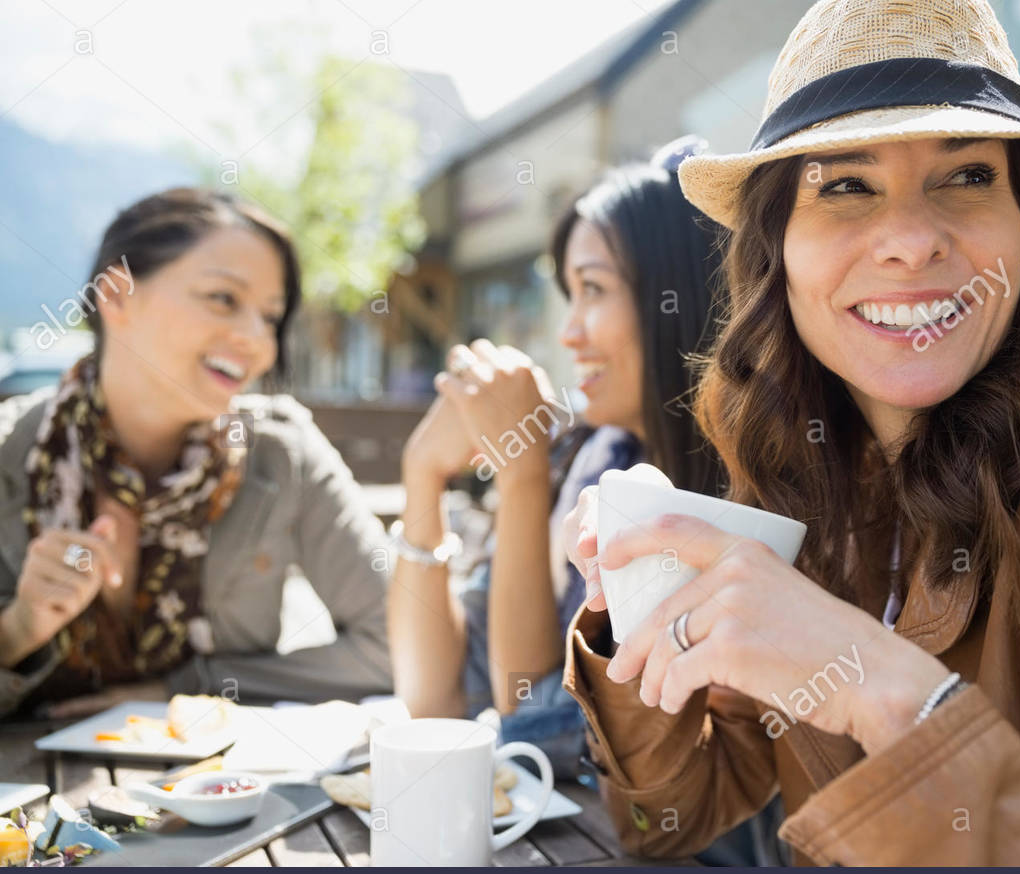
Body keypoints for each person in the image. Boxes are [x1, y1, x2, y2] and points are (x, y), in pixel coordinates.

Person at [560, 0, 1020, 865]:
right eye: (845, 185)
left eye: (967, 176)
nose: (911, 241)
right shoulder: (816, 472)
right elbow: (669, 823)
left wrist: (885, 691)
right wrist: (636, 615)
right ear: (777, 257)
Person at [388, 141, 727, 782]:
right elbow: (436, 699)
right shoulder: (590, 458)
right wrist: (422, 476)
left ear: (674, 298)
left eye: (593, 290)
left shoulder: (730, 500)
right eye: (569, 293)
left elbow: (534, 724)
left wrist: (520, 476)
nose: (570, 332)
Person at [0, 188, 392, 719]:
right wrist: (19, 629)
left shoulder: (280, 454)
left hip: (220, 796)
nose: (258, 341)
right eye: (224, 299)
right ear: (115, 297)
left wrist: (193, 686)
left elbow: (393, 647)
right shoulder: (10, 450)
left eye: (270, 317)